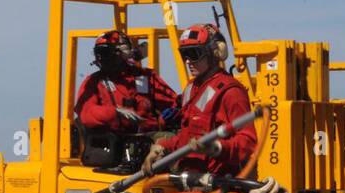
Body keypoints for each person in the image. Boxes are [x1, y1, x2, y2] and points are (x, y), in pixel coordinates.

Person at [143, 24, 256, 178]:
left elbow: (247, 143)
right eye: (184, 55)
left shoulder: (231, 92)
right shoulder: (191, 88)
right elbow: (186, 138)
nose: (188, 61)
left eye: (194, 53)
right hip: (191, 183)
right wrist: (161, 146)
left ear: (215, 53)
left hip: (219, 187)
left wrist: (217, 147)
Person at [74, 30, 178, 132]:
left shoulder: (146, 76)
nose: (102, 58)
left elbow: (174, 104)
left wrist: (167, 117)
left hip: (147, 137)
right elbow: (85, 113)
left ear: (124, 53)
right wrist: (115, 112)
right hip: (114, 142)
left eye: (105, 53)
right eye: (99, 54)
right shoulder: (94, 82)